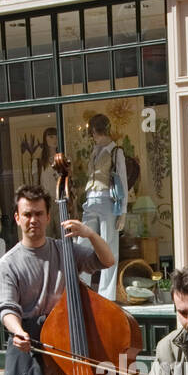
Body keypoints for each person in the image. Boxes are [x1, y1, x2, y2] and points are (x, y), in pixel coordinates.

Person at [0, 184, 115, 375]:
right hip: (32, 339)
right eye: (27, 214)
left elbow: (107, 260)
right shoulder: (8, 264)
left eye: (39, 214)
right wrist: (18, 332)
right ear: (18, 218)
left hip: (65, 338)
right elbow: (7, 308)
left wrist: (89, 234)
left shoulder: (64, 250)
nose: (33, 220)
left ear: (48, 217)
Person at [80, 114, 129, 302]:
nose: (93, 137)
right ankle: (82, 286)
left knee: (109, 245)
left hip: (108, 201)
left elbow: (122, 181)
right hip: (90, 201)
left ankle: (106, 295)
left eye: (93, 133)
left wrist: (122, 211)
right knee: (82, 243)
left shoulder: (116, 151)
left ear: (96, 131)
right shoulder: (96, 150)